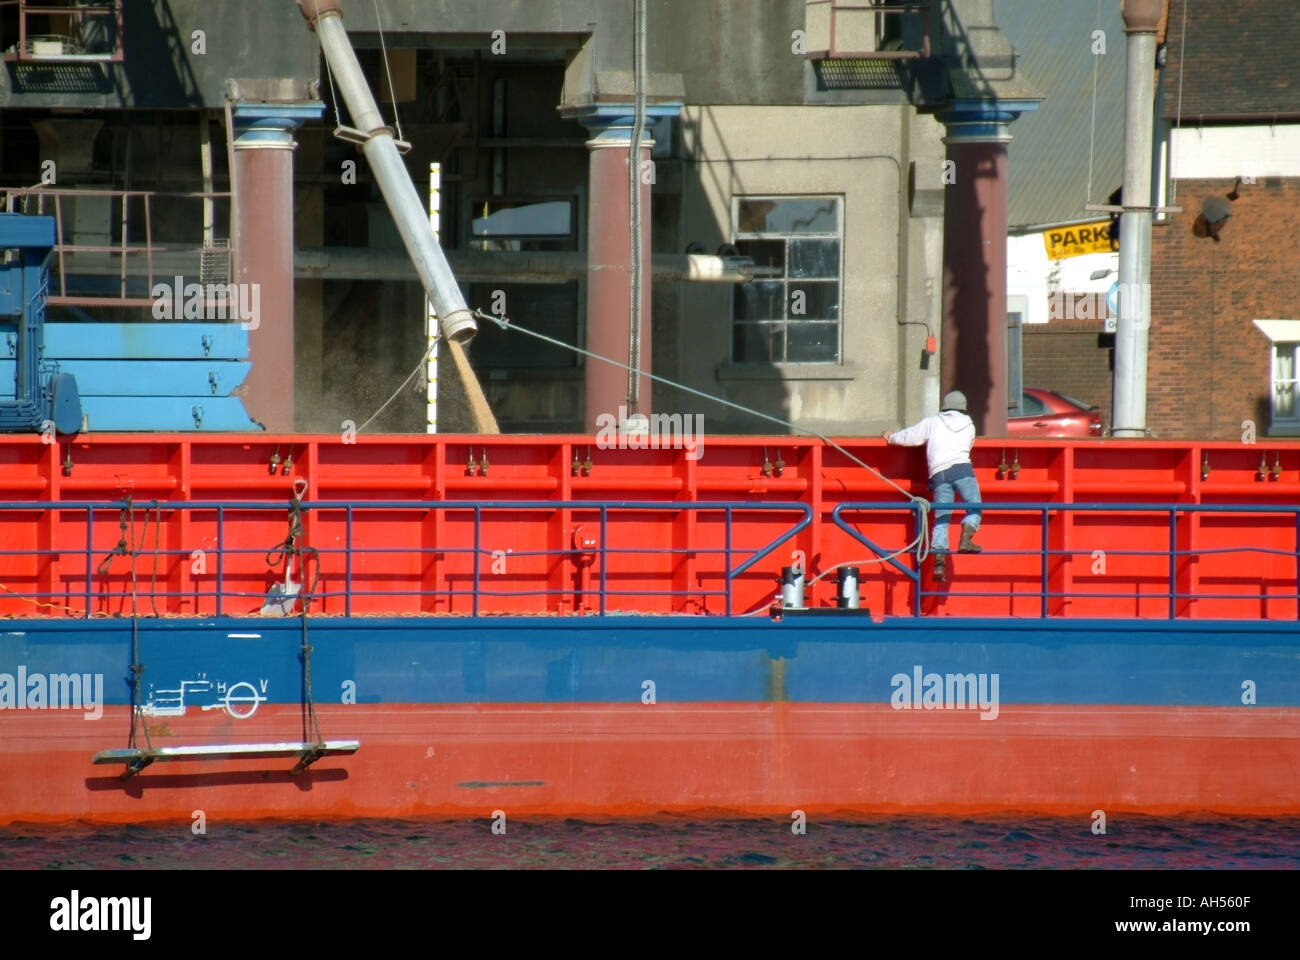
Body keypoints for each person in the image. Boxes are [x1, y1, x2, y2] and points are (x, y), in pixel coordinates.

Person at [882, 390, 982, 582]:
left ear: (944, 406)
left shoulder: (933, 421)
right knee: (975, 505)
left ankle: (939, 563)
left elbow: (911, 437)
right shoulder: (969, 424)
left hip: (939, 473)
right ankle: (966, 538)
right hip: (962, 470)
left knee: (941, 518)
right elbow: (968, 447)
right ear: (963, 408)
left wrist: (891, 437)